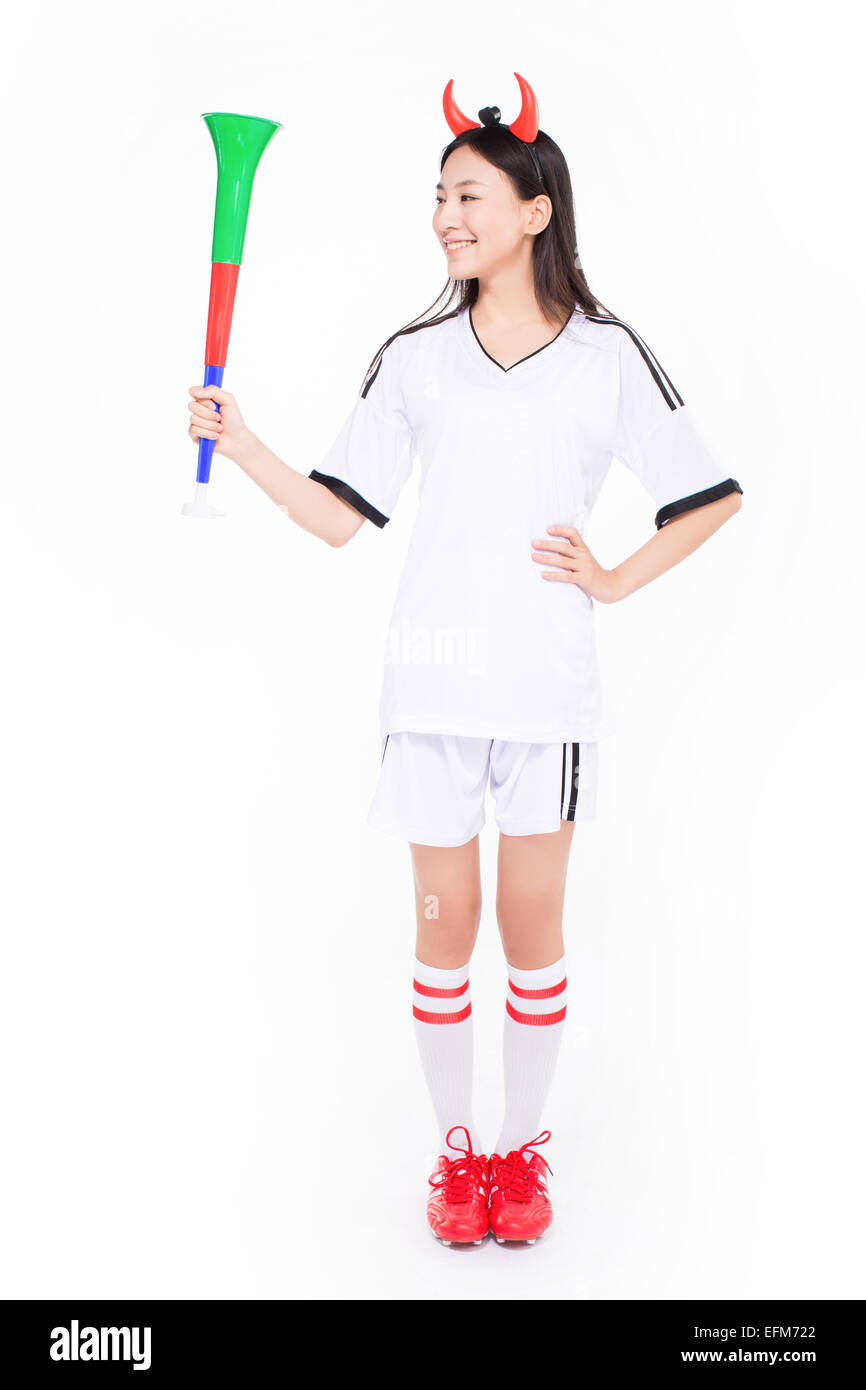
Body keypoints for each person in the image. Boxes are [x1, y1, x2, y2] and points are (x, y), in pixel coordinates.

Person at [186, 73, 743, 1248]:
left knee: (529, 931)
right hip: (430, 691)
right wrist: (240, 444)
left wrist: (612, 577)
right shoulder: (416, 355)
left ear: (535, 209)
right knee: (444, 929)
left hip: (544, 699)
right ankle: (456, 1162)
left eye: (468, 192)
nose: (445, 213)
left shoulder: (605, 354)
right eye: (437, 194)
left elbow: (709, 497)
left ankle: (520, 1155)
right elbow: (341, 516)